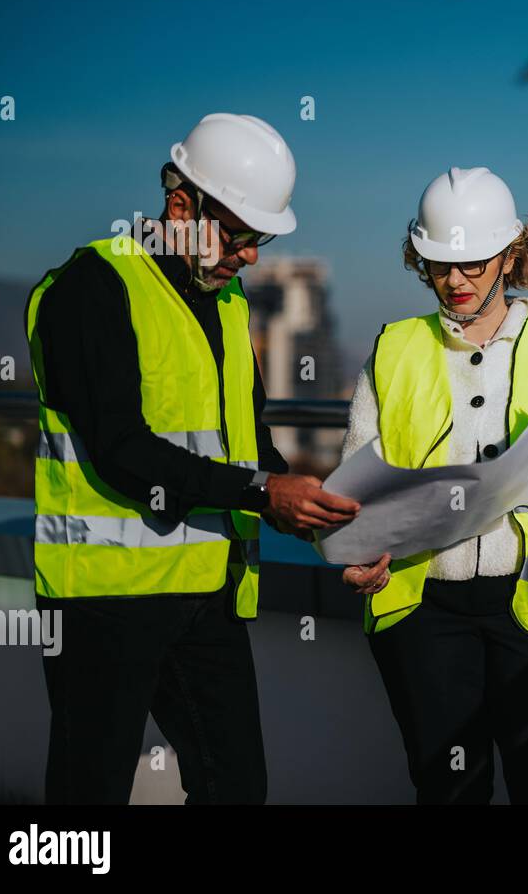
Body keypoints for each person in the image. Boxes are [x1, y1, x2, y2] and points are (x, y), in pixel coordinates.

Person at [25, 113, 360, 804]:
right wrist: (266, 494)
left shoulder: (229, 304)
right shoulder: (94, 287)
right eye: (239, 236)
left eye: (258, 239)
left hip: (206, 591)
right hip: (106, 599)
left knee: (235, 785)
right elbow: (121, 452)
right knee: (87, 797)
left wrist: (326, 522)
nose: (250, 258)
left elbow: (250, 444)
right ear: (181, 205)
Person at [337, 166, 528, 804]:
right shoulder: (393, 350)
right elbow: (359, 489)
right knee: (448, 790)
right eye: (437, 264)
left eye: (472, 264)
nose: (453, 281)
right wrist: (359, 551)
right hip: (424, 610)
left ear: (511, 257)